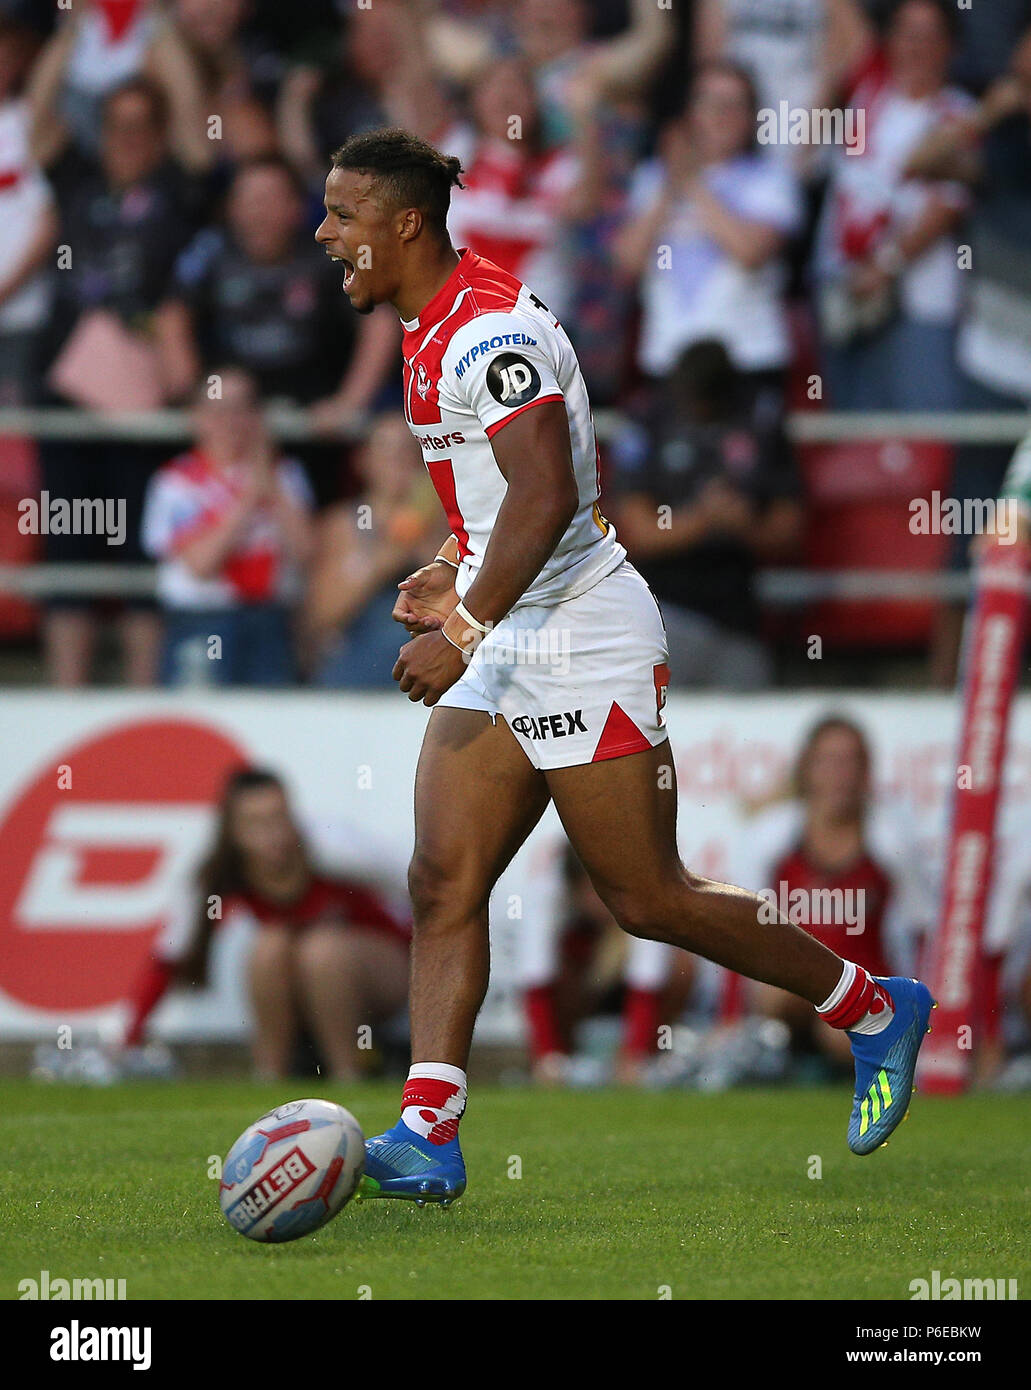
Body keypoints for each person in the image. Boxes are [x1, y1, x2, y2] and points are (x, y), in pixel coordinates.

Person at [314, 127, 934, 1206]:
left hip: (582, 633)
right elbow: (510, 499)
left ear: (403, 223)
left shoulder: (484, 334)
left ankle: (874, 1008)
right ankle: (428, 1133)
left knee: (647, 897)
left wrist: (460, 625)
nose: (326, 237)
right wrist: (451, 565)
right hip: (508, 626)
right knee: (441, 877)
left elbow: (550, 495)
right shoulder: (437, 321)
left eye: (341, 216)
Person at [119, 766, 410, 1081]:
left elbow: (413, 891)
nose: (271, 835)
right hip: (300, 983)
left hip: (382, 974)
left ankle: (349, 1071)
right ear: (233, 830)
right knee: (269, 946)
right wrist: (128, 1038)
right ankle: (271, 1074)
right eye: (255, 824)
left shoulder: (333, 848)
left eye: (278, 818)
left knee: (321, 950)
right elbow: (170, 956)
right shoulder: (218, 875)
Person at [608, 338, 804, 690]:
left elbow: (790, 533)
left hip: (739, 616)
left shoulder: (761, 419)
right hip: (664, 613)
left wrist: (745, 525)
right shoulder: (648, 420)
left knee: (746, 734)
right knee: (660, 731)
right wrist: (705, 517)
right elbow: (636, 534)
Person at [742, 716, 930, 1072]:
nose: (840, 774)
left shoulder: (889, 840)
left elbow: (924, 930)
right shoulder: (772, 837)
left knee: (839, 1035)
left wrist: (922, 1014)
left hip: (867, 991)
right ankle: (775, 1057)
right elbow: (741, 931)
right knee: (774, 998)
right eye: (829, 762)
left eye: (851, 762)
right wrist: (731, 1017)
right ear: (807, 769)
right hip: (799, 988)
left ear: (866, 772)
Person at [140, 367, 315, 687]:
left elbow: (305, 553)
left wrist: (269, 478)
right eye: (219, 409)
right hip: (203, 621)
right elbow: (202, 563)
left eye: (242, 408)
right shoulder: (175, 482)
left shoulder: (286, 474)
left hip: (271, 620)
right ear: (197, 417)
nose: (231, 420)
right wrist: (251, 497)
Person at [305, 412, 440, 687]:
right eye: (387, 451)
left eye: (407, 451)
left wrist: (421, 518)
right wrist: (387, 556)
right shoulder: (342, 524)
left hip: (425, 671)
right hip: (357, 669)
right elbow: (321, 616)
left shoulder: (443, 522)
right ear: (364, 461)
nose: (398, 462)